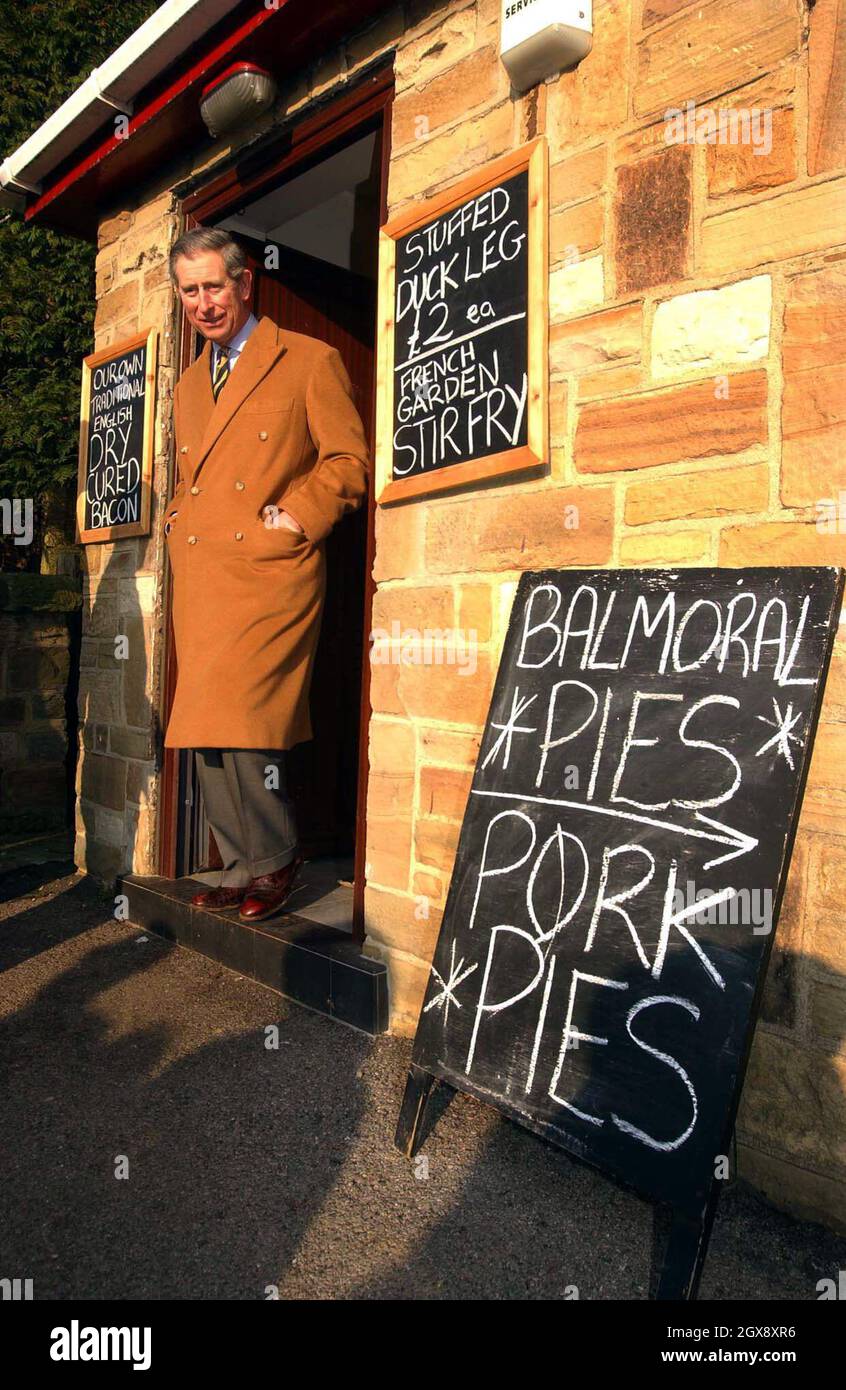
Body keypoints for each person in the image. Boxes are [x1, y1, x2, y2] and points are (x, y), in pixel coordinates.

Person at [163, 227, 370, 921]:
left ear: (245, 282)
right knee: (205, 729)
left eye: (213, 287)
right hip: (203, 571)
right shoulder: (191, 382)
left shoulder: (309, 358)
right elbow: (197, 475)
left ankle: (278, 858)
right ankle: (239, 861)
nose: (203, 304)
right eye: (189, 292)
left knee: (252, 724)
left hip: (268, 575)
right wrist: (173, 515)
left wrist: (294, 520)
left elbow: (348, 462)